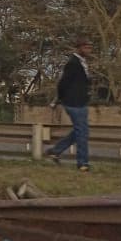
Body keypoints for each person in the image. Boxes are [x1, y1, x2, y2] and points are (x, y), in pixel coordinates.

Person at [45, 40, 93, 171]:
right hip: (72, 102)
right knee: (82, 133)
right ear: (78, 48)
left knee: (81, 131)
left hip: (81, 101)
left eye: (90, 47)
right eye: (85, 47)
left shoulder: (83, 63)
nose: (88, 50)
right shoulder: (72, 63)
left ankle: (55, 151)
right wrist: (59, 100)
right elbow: (62, 83)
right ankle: (82, 163)